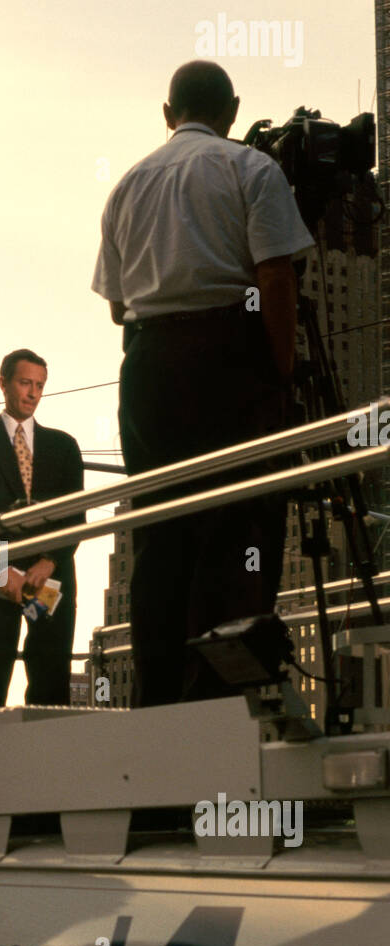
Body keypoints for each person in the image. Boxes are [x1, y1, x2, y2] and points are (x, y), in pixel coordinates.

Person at [92, 60, 315, 707]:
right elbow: (276, 277)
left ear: (167, 114)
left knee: (161, 533)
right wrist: (279, 373)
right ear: (234, 110)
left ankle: (159, 706)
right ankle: (225, 700)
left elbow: (115, 305)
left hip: (149, 369)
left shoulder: (128, 185)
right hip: (229, 355)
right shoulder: (251, 169)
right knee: (239, 526)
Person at [0, 349, 85, 708]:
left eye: (40, 385)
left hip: (47, 578)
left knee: (50, 675)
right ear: (3, 384)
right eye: (25, 383)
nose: (33, 393)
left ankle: (48, 755)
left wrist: (49, 562)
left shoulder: (64, 446)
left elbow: (75, 518)